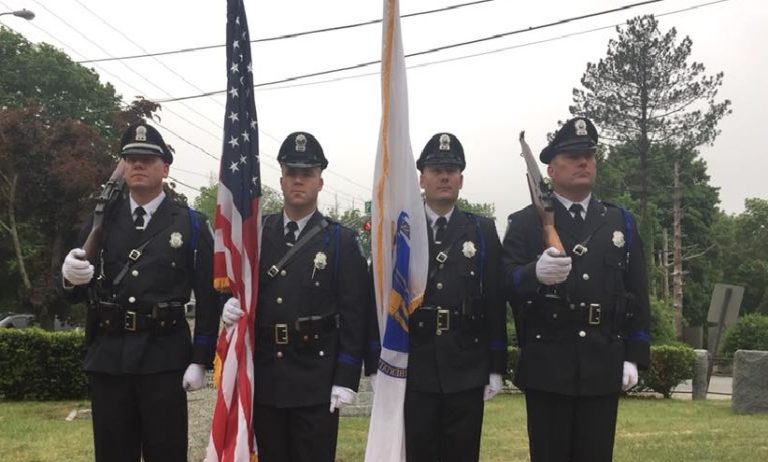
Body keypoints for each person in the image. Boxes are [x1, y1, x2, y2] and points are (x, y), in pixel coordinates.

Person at [60, 123, 219, 462]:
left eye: (148, 158)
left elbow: (209, 299)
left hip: (163, 357)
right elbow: (76, 291)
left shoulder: (189, 223)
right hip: (110, 356)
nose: (138, 165)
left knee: (166, 452)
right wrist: (70, 276)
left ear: (165, 168)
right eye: (131, 158)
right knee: (113, 453)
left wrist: (200, 359)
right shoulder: (101, 221)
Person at [502, 117, 651, 462]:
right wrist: (532, 274)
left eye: (589, 155)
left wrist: (633, 355)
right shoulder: (526, 222)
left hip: (603, 363)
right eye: (572, 156)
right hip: (548, 364)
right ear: (551, 170)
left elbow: (637, 290)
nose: (584, 162)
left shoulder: (619, 221)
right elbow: (504, 283)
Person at [221, 131, 369, 462]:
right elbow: (230, 281)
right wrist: (225, 304)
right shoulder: (255, 234)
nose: (298, 180)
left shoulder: (340, 240)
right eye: (292, 173)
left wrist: (346, 379)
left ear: (320, 181)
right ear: (282, 179)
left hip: (316, 380)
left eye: (307, 173)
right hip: (267, 377)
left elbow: (355, 315)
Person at [404, 132, 507, 462]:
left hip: (466, 366)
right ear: (422, 178)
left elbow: (494, 299)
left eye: (451, 169)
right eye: (436, 169)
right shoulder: (401, 228)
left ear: (461, 177)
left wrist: (496, 366)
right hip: (414, 367)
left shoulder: (481, 231)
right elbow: (377, 299)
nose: (444, 176)